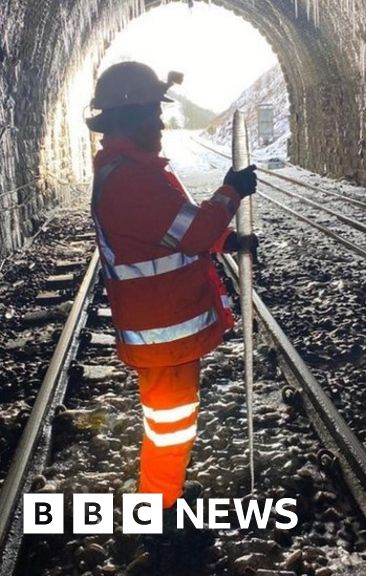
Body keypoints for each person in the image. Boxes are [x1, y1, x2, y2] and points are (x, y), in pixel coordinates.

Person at [85, 61, 258, 518]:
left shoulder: (133, 169)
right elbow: (192, 232)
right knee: (170, 423)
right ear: (130, 118)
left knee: (173, 419)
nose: (160, 122)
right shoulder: (128, 179)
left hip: (166, 322)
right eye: (153, 114)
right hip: (162, 328)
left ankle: (165, 491)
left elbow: (174, 226)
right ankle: (160, 508)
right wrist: (231, 193)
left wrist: (229, 240)